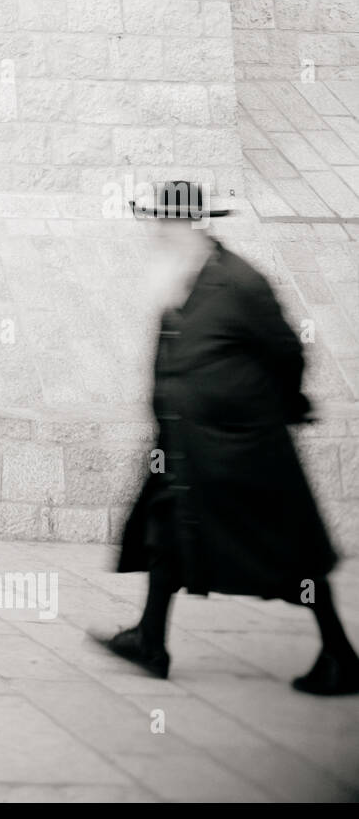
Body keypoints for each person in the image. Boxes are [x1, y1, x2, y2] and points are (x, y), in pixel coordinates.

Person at [97, 180, 359, 695]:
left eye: (164, 220)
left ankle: (340, 655)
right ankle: (149, 640)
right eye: (153, 218)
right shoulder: (179, 277)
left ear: (189, 223)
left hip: (241, 449)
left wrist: (269, 410)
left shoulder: (239, 281)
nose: (156, 229)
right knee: (165, 531)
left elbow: (288, 352)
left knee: (287, 553)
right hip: (183, 443)